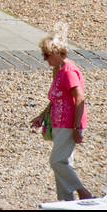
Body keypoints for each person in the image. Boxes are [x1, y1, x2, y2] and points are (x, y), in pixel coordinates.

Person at [30, 31, 93, 201]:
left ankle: (83, 192)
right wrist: (42, 115)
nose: (45, 59)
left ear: (58, 53)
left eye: (47, 55)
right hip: (58, 123)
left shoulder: (69, 71)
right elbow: (56, 98)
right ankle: (65, 201)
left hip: (68, 124)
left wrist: (77, 127)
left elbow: (79, 97)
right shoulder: (59, 70)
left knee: (57, 161)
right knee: (63, 166)